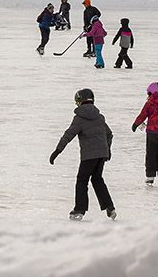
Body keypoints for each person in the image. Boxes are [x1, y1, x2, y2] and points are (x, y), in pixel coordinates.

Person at [49, 87, 116, 221]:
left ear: (80, 102)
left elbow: (68, 135)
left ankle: (79, 210)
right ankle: (110, 208)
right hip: (101, 154)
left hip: (89, 155)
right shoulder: (100, 117)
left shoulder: (79, 118)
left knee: (82, 180)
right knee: (97, 179)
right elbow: (109, 134)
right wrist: (107, 150)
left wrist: (57, 151)